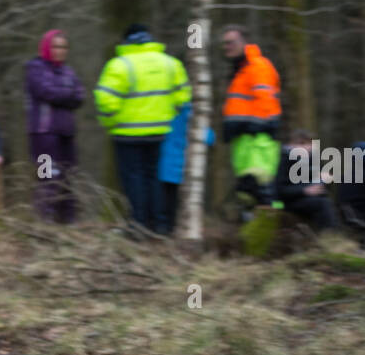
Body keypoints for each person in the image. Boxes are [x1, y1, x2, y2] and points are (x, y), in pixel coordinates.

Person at [94, 24, 190, 231]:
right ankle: (159, 225)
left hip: (127, 134)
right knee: (155, 178)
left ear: (126, 40)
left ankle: (138, 225)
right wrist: (167, 115)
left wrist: (111, 124)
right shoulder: (171, 64)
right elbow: (183, 98)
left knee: (133, 179)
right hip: (161, 133)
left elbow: (105, 101)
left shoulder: (119, 65)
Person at [220, 25, 282, 212]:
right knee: (247, 191)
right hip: (244, 139)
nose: (227, 47)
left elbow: (265, 99)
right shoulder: (241, 70)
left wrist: (260, 125)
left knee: (262, 188)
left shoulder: (258, 66)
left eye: (231, 42)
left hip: (257, 140)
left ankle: (273, 227)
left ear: (243, 42)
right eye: (225, 44)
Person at [25, 29, 85, 223]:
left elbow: (79, 96)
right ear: (47, 47)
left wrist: (63, 94)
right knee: (47, 176)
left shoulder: (68, 71)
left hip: (66, 133)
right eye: (56, 46)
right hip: (43, 134)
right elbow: (44, 91)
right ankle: (45, 220)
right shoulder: (35, 68)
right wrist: (65, 94)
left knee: (68, 177)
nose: (60, 51)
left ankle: (68, 220)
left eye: (63, 47)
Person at [156, 102, 212, 235]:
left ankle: (162, 228)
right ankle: (172, 228)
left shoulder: (162, 110)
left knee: (163, 200)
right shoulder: (192, 114)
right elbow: (209, 137)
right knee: (176, 202)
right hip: (184, 168)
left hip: (162, 165)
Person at [274, 129, 336, 231]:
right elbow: (280, 190)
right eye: (308, 145)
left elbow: (310, 180)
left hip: (300, 198)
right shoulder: (283, 159)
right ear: (295, 144)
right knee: (322, 204)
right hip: (281, 203)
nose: (311, 149)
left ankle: (331, 236)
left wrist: (324, 179)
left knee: (324, 200)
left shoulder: (308, 158)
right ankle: (330, 237)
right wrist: (305, 191)